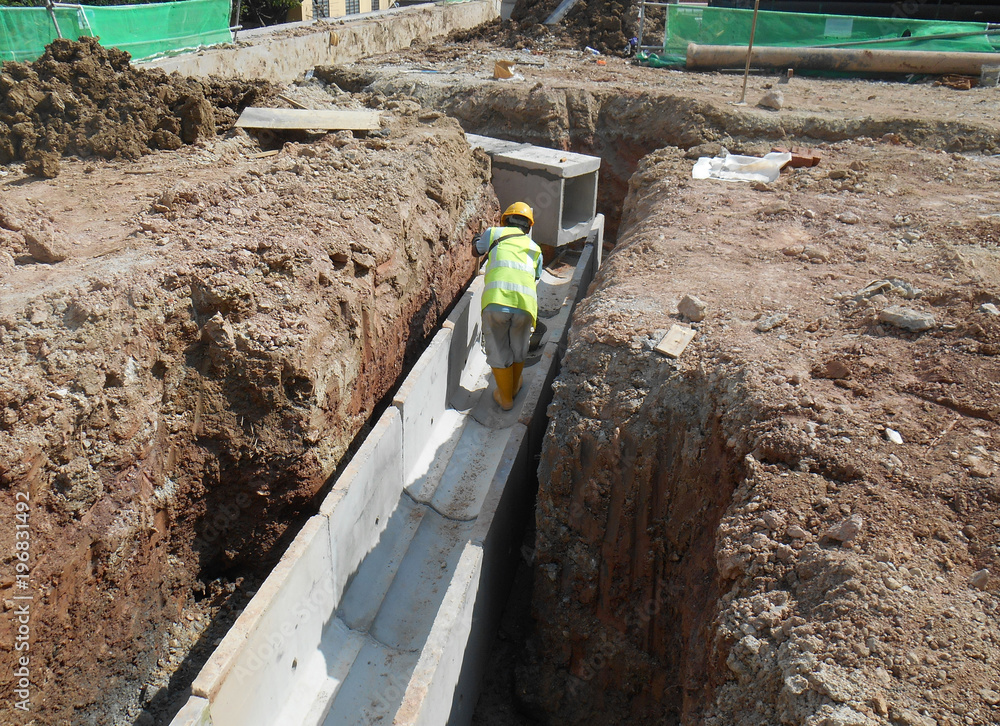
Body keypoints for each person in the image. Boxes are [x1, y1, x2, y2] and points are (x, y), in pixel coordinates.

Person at [473, 202, 543, 411]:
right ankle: (513, 387)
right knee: (519, 346)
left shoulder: (494, 233)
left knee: (497, 347)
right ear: (528, 227)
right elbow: (536, 276)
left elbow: (477, 251)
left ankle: (505, 399)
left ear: (505, 220)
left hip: (496, 302)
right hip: (525, 306)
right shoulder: (535, 248)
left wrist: (476, 239)